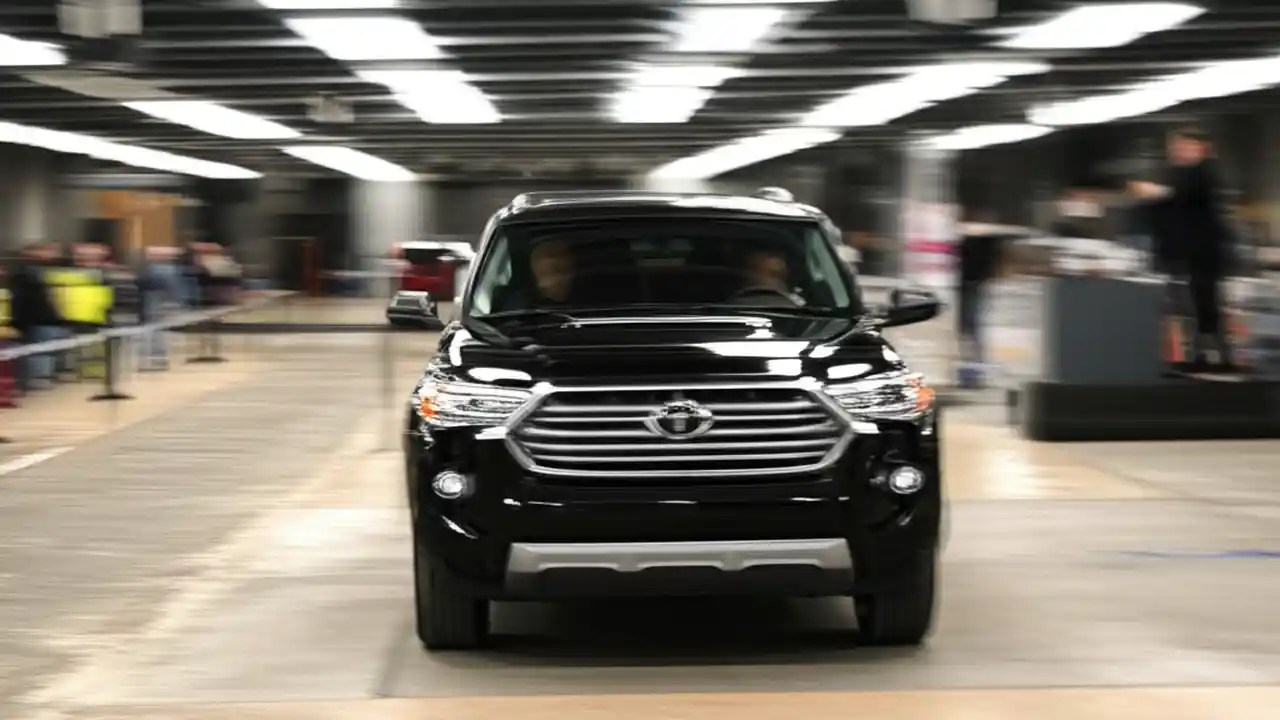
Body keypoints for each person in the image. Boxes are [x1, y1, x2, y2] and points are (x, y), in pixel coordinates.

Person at [1133, 127, 1235, 371]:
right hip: (1181, 254)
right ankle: (1199, 355)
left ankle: (1216, 356)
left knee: (1203, 305)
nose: (1178, 151)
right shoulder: (1176, 175)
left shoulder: (1204, 174)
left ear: (1202, 148)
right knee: (1188, 307)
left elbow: (1185, 195)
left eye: (1185, 146)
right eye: (1175, 147)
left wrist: (1158, 193)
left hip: (1202, 254)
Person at [9, 242, 67, 391]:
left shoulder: (37, 272)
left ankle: (38, 380)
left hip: (43, 321)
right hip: (38, 321)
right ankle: (37, 381)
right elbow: (22, 300)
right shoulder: (27, 274)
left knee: (41, 353)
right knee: (38, 353)